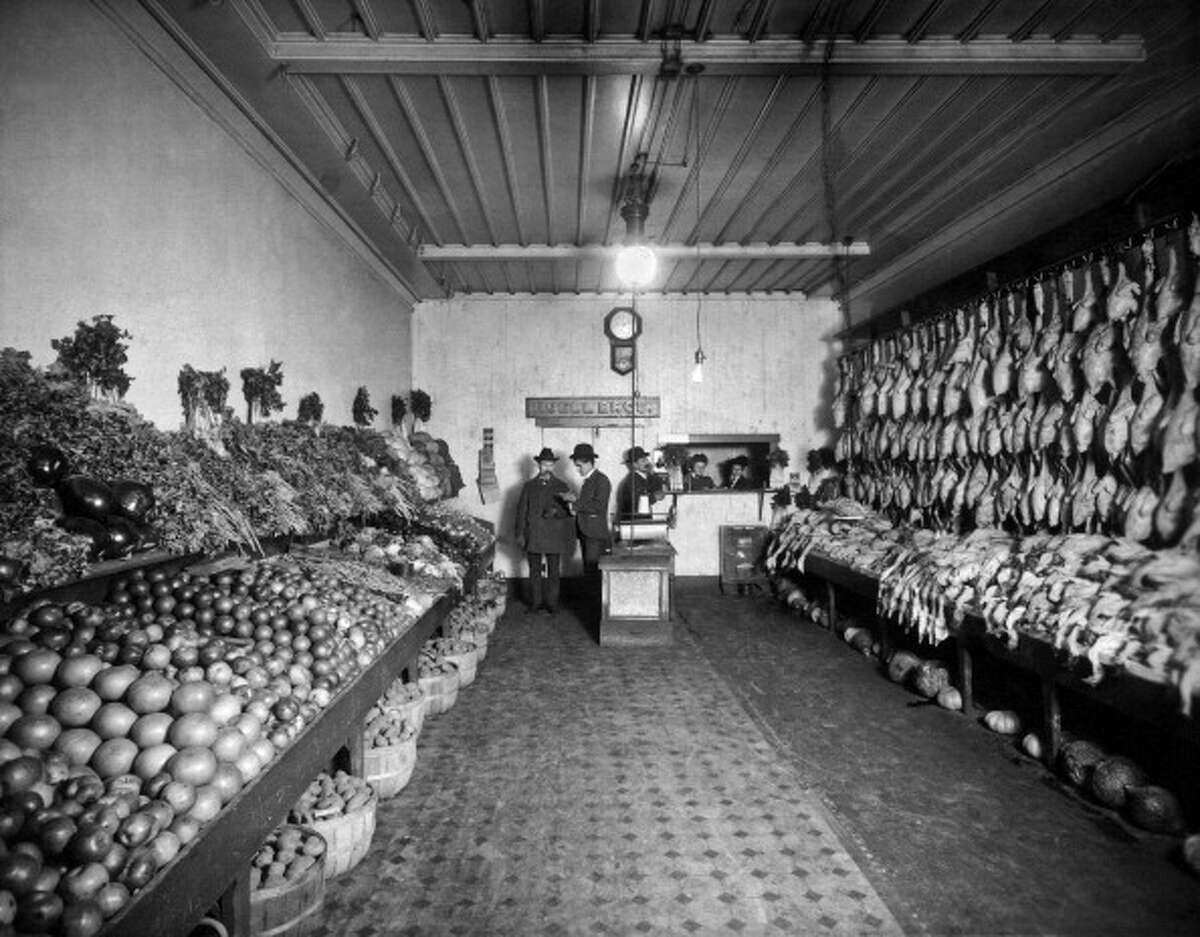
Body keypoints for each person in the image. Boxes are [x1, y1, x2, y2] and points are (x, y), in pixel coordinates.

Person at [513, 447, 573, 615]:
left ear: (553, 466)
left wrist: (556, 512)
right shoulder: (529, 486)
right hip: (534, 535)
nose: (547, 467)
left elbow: (569, 512)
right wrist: (519, 534)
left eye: (550, 464)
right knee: (535, 571)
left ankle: (552, 603)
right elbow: (521, 511)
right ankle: (536, 603)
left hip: (554, 535)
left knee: (554, 571)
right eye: (544, 464)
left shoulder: (562, 485)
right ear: (538, 465)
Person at [561, 442, 612, 581]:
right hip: (587, 532)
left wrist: (575, 504)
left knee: (593, 572)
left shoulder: (601, 480)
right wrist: (574, 503)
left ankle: (594, 602)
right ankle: (592, 601)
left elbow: (599, 506)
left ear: (589, 462)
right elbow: (588, 505)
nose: (578, 469)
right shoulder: (589, 481)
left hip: (594, 534)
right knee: (589, 571)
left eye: (579, 465)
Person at [616, 446, 665, 519]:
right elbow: (636, 502)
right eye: (643, 461)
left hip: (643, 520)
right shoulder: (631, 480)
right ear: (634, 464)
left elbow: (659, 490)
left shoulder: (646, 477)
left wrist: (652, 473)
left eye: (646, 459)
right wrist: (654, 497)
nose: (647, 463)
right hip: (633, 521)